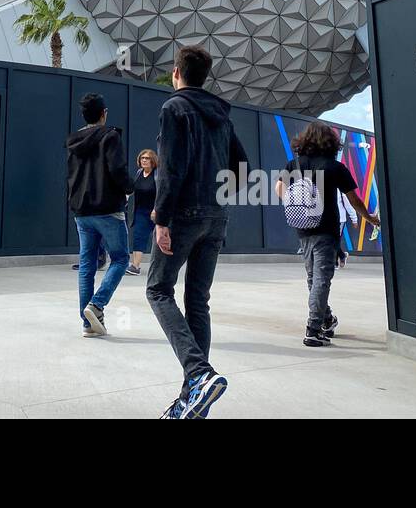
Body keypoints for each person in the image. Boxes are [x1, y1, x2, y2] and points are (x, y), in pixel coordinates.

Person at [147, 45, 249, 419]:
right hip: (216, 217)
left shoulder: (173, 108)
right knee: (197, 301)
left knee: (157, 289)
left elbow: (171, 168)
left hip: (183, 215)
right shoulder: (221, 115)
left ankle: (198, 373)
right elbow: (243, 167)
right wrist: (216, 197)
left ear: (177, 73)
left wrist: (161, 219)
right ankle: (196, 396)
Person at [273, 122, 379, 346]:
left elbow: (278, 187)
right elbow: (354, 200)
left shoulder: (295, 164)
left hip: (302, 228)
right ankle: (313, 329)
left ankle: (327, 319)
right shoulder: (334, 167)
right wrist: (369, 218)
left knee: (314, 279)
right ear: (331, 142)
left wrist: (291, 203)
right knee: (321, 280)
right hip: (326, 230)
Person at [66, 92, 131, 338]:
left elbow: (70, 176)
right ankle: (97, 305)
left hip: (81, 211)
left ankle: (88, 324)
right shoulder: (110, 136)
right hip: (108, 209)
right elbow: (117, 169)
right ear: (103, 114)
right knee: (120, 259)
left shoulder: (73, 141)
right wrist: (129, 188)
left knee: (87, 265)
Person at [126, 149, 158, 274]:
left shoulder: (157, 175)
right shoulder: (139, 172)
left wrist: (156, 209)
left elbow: (161, 193)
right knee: (138, 237)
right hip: (141, 211)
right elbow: (133, 189)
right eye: (142, 158)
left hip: (155, 212)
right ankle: (135, 266)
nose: (144, 160)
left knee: (160, 240)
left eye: (147, 158)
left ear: (153, 161)